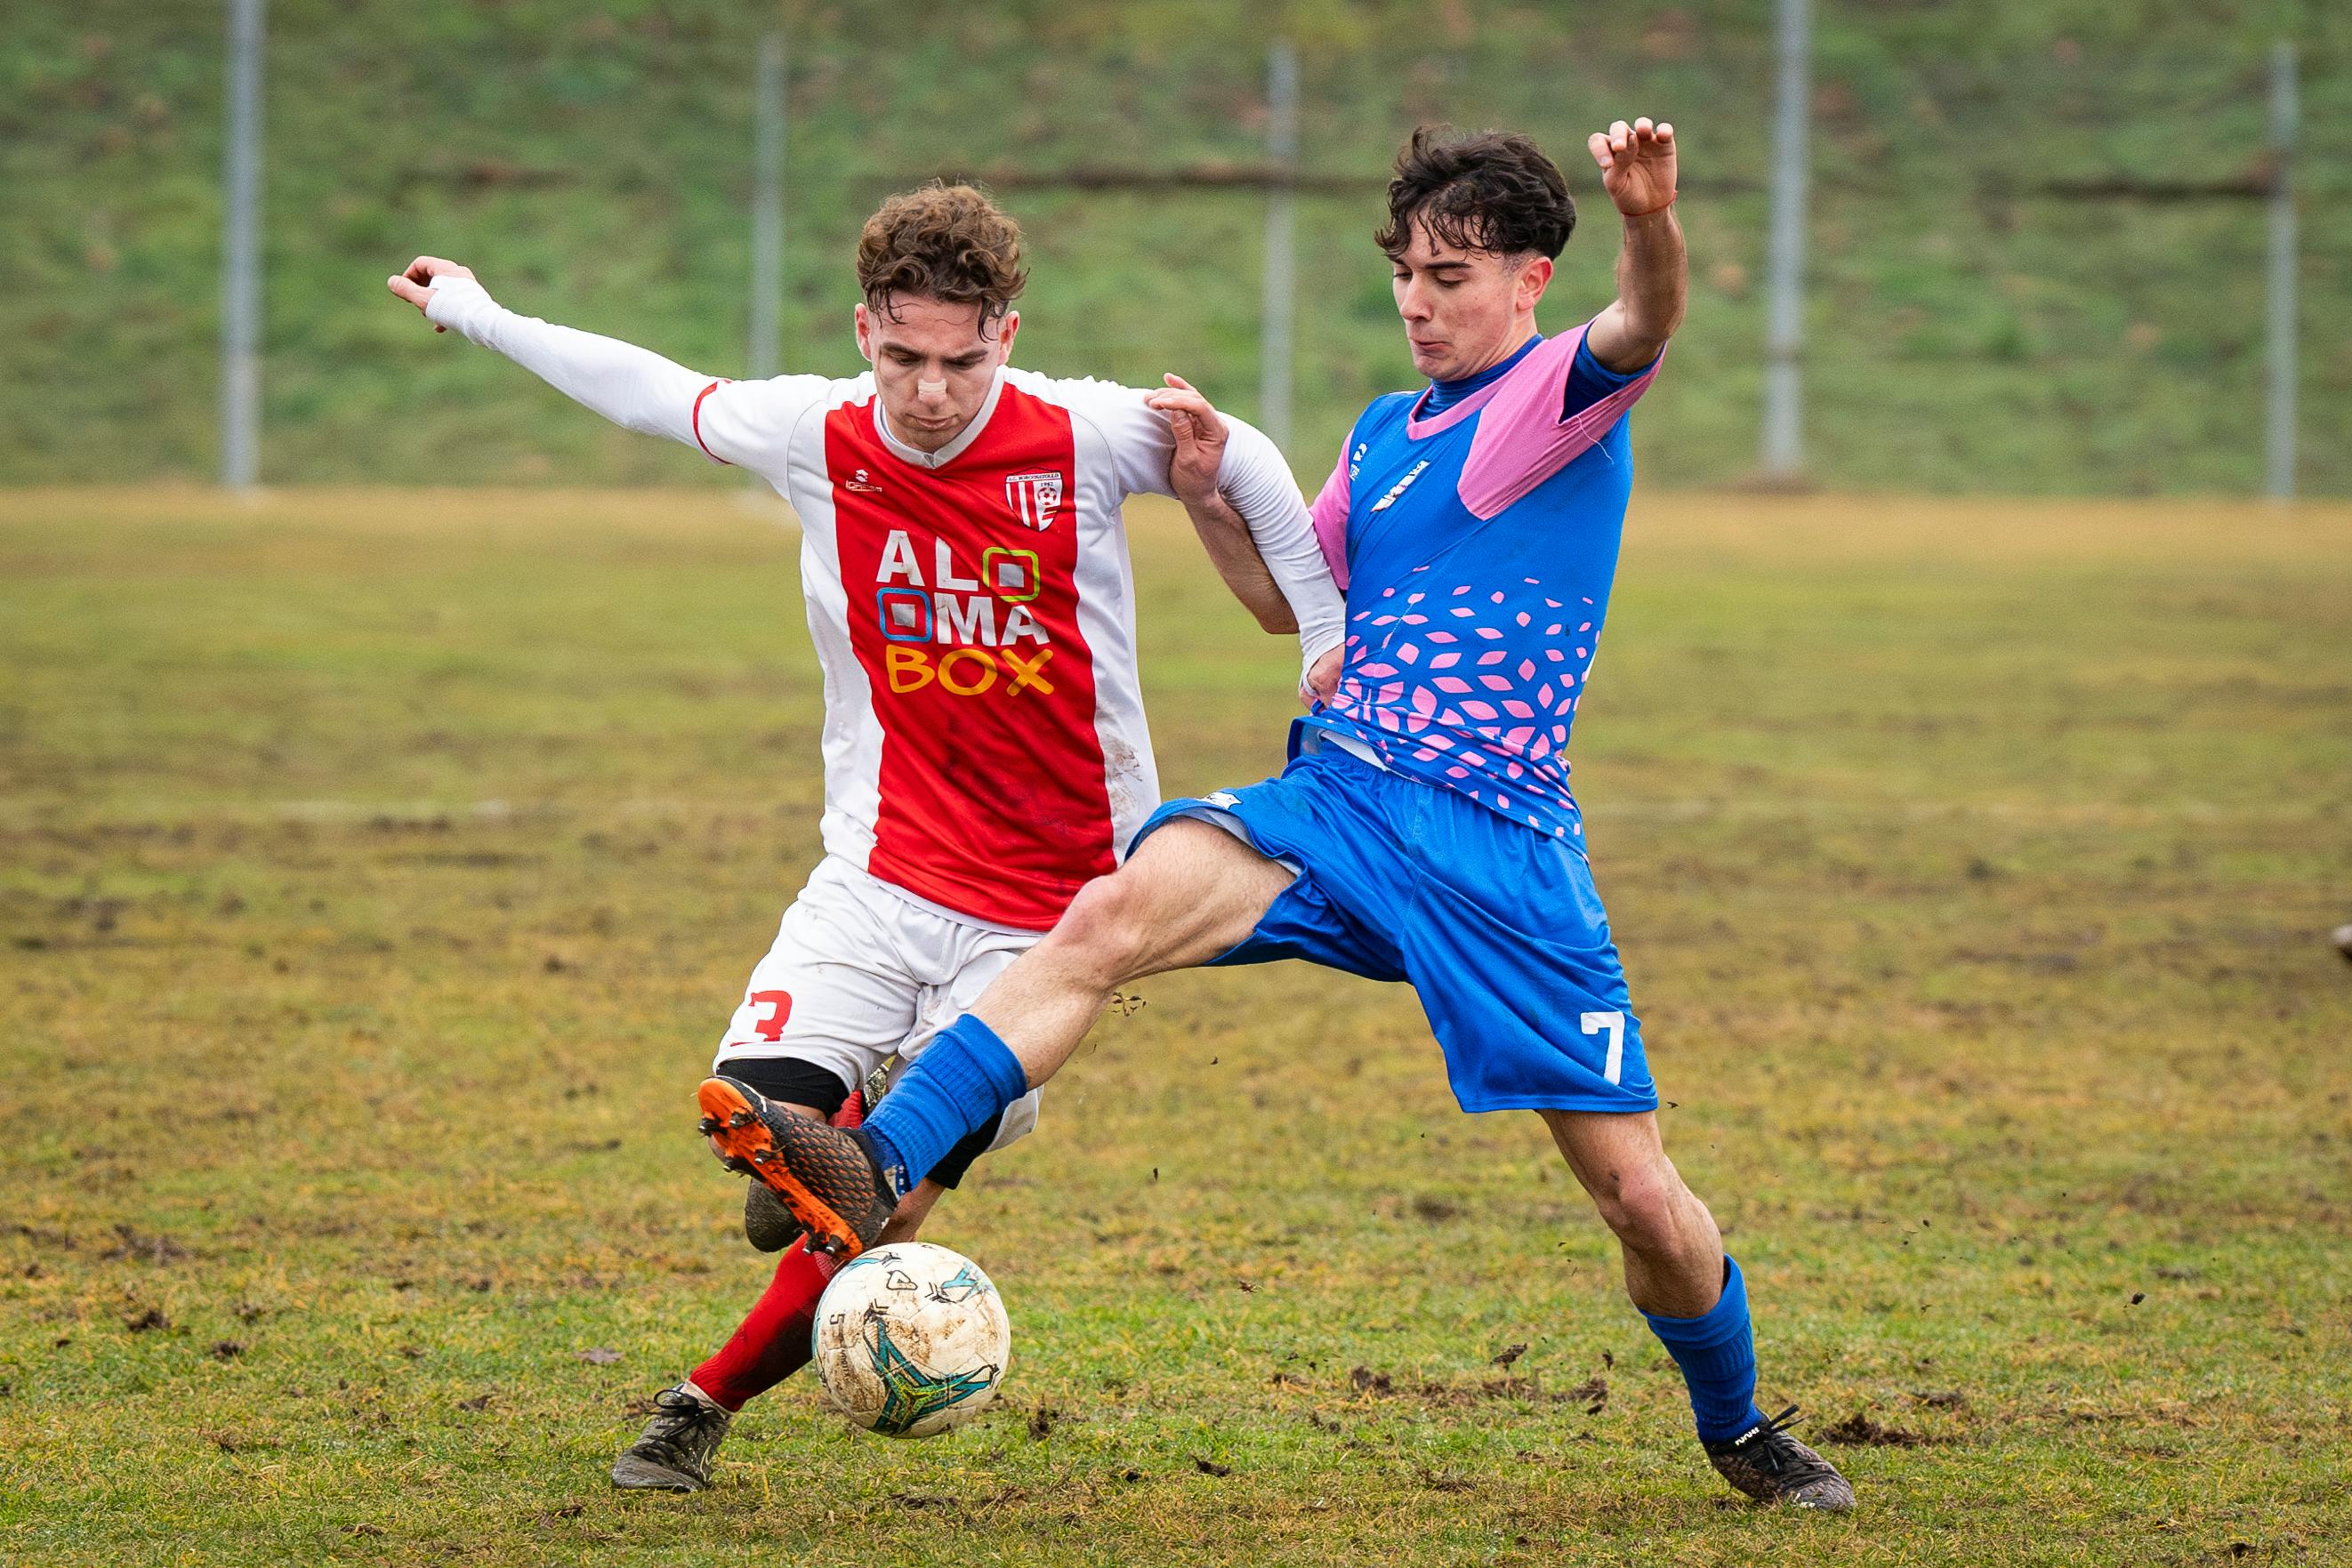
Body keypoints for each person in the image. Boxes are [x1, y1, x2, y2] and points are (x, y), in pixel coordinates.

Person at [705, 121, 1857, 1512]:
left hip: (1497, 849)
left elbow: (1647, 316)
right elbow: (1285, 605)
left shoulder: (1562, 393)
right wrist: (1203, 498)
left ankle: (1736, 1426)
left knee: (1635, 1196)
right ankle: (873, 1164)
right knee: (1105, 913)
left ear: (1532, 280)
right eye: (1407, 276)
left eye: (1453, 276)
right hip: (1336, 800)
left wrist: (1654, 217)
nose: (1422, 303)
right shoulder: (1382, 433)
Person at [387, 181, 1344, 1491]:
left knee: (888, 1192)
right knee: (748, 1114)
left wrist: (1327, 624)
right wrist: (485, 316)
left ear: (1007, 336)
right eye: (902, 358)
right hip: (878, 873)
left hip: (1053, 920)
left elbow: (1243, 458)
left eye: (960, 361)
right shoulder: (816, 430)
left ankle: (697, 1407)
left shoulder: (1087, 431)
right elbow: (650, 389)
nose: (931, 392)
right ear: (863, 332)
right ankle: (814, 1141)